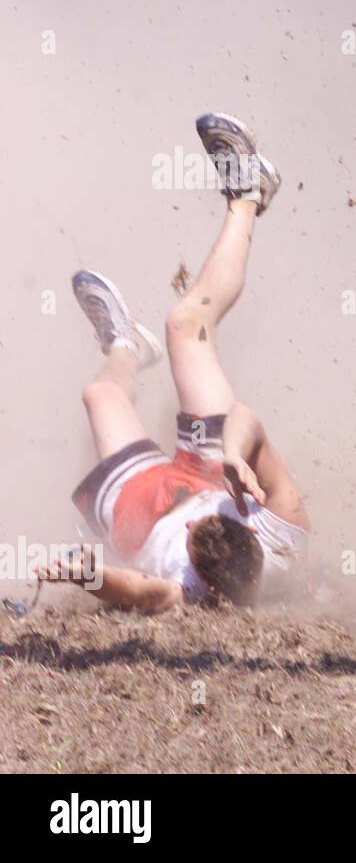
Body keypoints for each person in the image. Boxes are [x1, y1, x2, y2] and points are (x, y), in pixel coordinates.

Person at [39, 113, 309, 612]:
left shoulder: (191, 590)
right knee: (187, 325)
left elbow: (141, 591)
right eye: (210, 523)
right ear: (247, 530)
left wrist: (89, 576)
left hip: (144, 519)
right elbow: (251, 423)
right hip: (215, 472)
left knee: (100, 395)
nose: (193, 518)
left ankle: (127, 347)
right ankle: (248, 193)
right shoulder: (282, 533)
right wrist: (233, 455)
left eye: (193, 535)